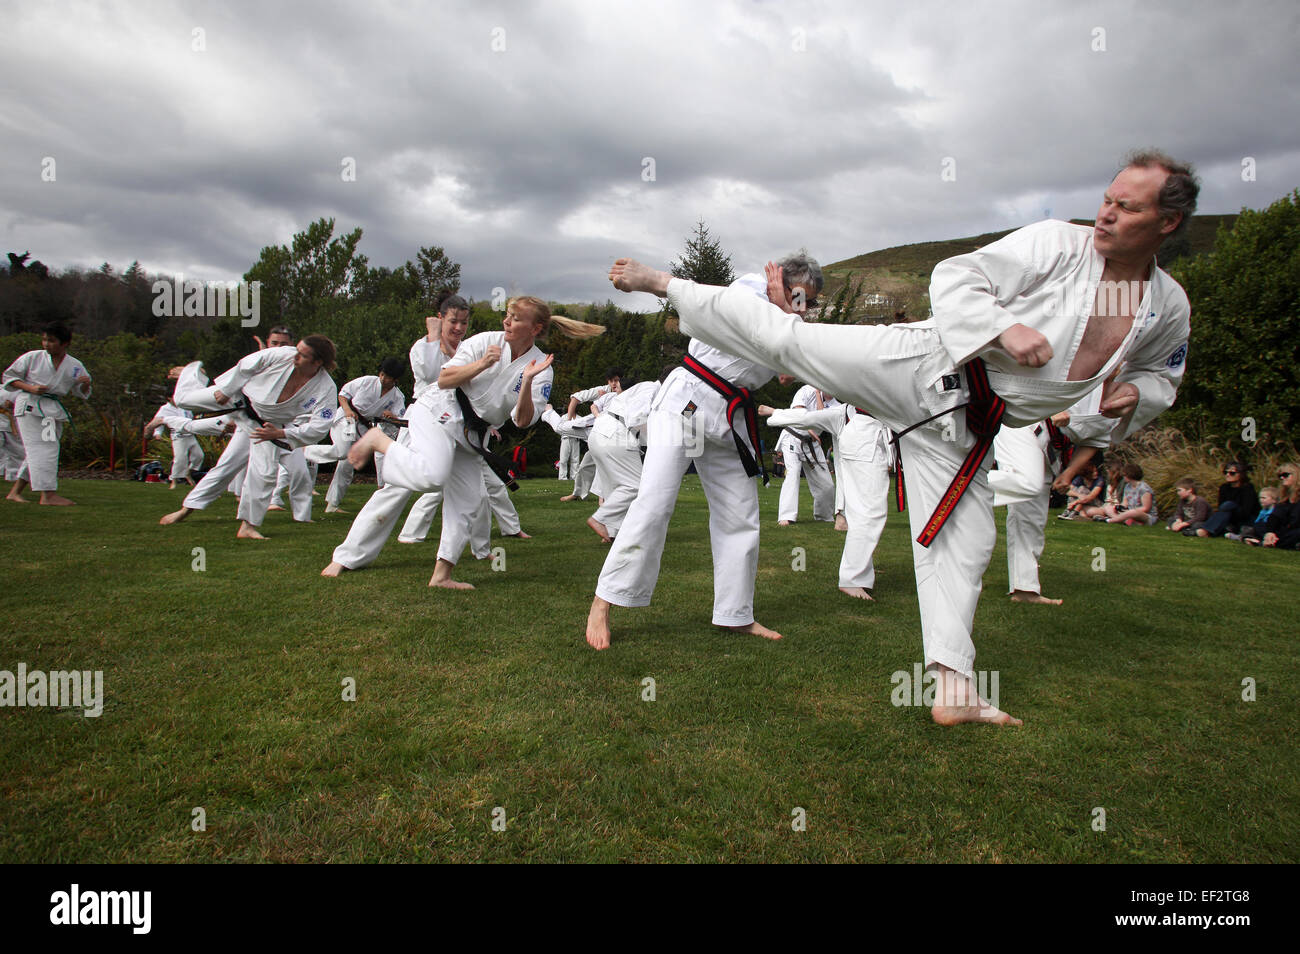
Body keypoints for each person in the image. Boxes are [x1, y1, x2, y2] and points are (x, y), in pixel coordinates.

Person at [606, 150, 1197, 725]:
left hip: (965, 428)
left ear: (1167, 223)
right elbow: (959, 276)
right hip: (922, 363)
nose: (1108, 214)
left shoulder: (1167, 306)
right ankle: (666, 283)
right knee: (793, 342)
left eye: (1128, 207)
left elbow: (1160, 374)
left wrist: (1135, 396)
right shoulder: (1057, 243)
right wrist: (1003, 326)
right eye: (1107, 199)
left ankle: (954, 690)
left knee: (965, 547)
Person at [585, 251, 818, 651]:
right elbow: (742, 320)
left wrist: (789, 325)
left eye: (809, 302)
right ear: (779, 278)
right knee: (655, 502)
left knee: (740, 513)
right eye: (799, 296)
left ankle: (735, 614)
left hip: (729, 418)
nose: (803, 307)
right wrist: (782, 312)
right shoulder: (748, 289)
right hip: (687, 403)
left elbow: (786, 362)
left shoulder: (789, 321)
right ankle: (603, 601)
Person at [324, 297, 601, 587]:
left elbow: (521, 420)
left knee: (468, 501)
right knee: (428, 476)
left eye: (516, 318)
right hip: (437, 411)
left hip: (472, 434)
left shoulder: (541, 367)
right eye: (507, 315)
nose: (506, 322)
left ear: (535, 328)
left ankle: (441, 575)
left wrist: (528, 381)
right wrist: (483, 363)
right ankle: (377, 443)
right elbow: (445, 379)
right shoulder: (485, 342)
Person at [161, 336, 339, 538]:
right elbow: (246, 365)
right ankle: (192, 371)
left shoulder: (325, 388)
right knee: (183, 401)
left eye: (302, 355)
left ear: (317, 363)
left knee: (265, 473)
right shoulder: (282, 355)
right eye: (296, 350)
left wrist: (281, 433)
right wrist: (228, 390)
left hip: (265, 427)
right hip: (238, 399)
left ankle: (248, 526)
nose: (294, 356)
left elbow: (319, 428)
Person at [763, 398, 892, 600]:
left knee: (861, 512)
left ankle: (859, 570)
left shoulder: (843, 407)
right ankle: (853, 578)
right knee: (870, 512)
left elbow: (808, 417)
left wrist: (775, 413)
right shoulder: (846, 403)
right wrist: (776, 413)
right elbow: (807, 417)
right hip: (865, 434)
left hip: (860, 426)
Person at [397, 298, 471, 543]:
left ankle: (412, 534)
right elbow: (432, 374)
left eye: (464, 322)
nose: (459, 328)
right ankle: (352, 551)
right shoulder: (423, 346)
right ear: (440, 319)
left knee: (454, 479)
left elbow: (471, 383)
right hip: (421, 416)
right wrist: (433, 335)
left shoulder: (467, 349)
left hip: (450, 420)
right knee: (400, 484)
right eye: (453, 321)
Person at [4, 322, 92, 506]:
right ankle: (48, 495)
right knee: (43, 449)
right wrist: (30, 387)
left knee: (44, 450)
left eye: (51, 341)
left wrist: (85, 384)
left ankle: (15, 492)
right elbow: (9, 378)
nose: (46, 344)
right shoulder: (32, 357)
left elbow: (81, 393)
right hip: (29, 405)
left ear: (64, 343)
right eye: (44, 340)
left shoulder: (74, 365)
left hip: (51, 409)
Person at [306, 357, 407, 513]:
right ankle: (306, 451)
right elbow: (343, 394)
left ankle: (332, 505)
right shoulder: (367, 381)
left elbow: (400, 419)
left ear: (395, 379)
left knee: (347, 463)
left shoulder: (397, 397)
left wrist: (392, 416)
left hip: (363, 427)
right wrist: (347, 410)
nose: (383, 378)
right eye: (382, 374)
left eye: (387, 377)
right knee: (343, 452)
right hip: (346, 420)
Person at [585, 373, 667, 543]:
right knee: (637, 486)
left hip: (600, 432)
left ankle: (613, 533)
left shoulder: (644, 388)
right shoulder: (651, 388)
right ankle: (600, 518)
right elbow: (638, 416)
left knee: (614, 487)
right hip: (616, 435)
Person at [774, 384, 837, 525]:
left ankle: (824, 516)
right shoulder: (806, 390)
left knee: (827, 485)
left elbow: (823, 419)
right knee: (793, 474)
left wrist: (818, 397)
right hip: (793, 437)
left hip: (813, 444)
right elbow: (797, 413)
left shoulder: (835, 405)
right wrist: (809, 429)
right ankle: (786, 516)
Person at [142, 396, 205, 490]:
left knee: (199, 456)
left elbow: (190, 418)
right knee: (180, 459)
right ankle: (173, 481)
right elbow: (158, 421)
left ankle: (188, 472)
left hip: (190, 435)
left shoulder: (183, 406)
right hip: (178, 437)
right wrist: (158, 434)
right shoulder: (165, 409)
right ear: (169, 398)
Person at [1196, 460, 1258, 538]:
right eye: (1226, 472)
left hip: (1245, 519)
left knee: (1228, 505)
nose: (1227, 475)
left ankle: (1206, 530)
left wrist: (1230, 509)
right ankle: (1207, 530)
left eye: (1232, 473)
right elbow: (1220, 508)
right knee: (1225, 507)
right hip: (1227, 516)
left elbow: (1246, 512)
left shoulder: (1248, 489)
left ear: (1241, 475)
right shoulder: (1224, 488)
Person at [1261, 464, 1300, 549]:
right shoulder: (1284, 497)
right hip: (1284, 531)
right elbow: (1275, 516)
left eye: (1285, 475)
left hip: (1294, 530)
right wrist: (1270, 532)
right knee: (1260, 525)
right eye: (1280, 476)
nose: (1282, 478)